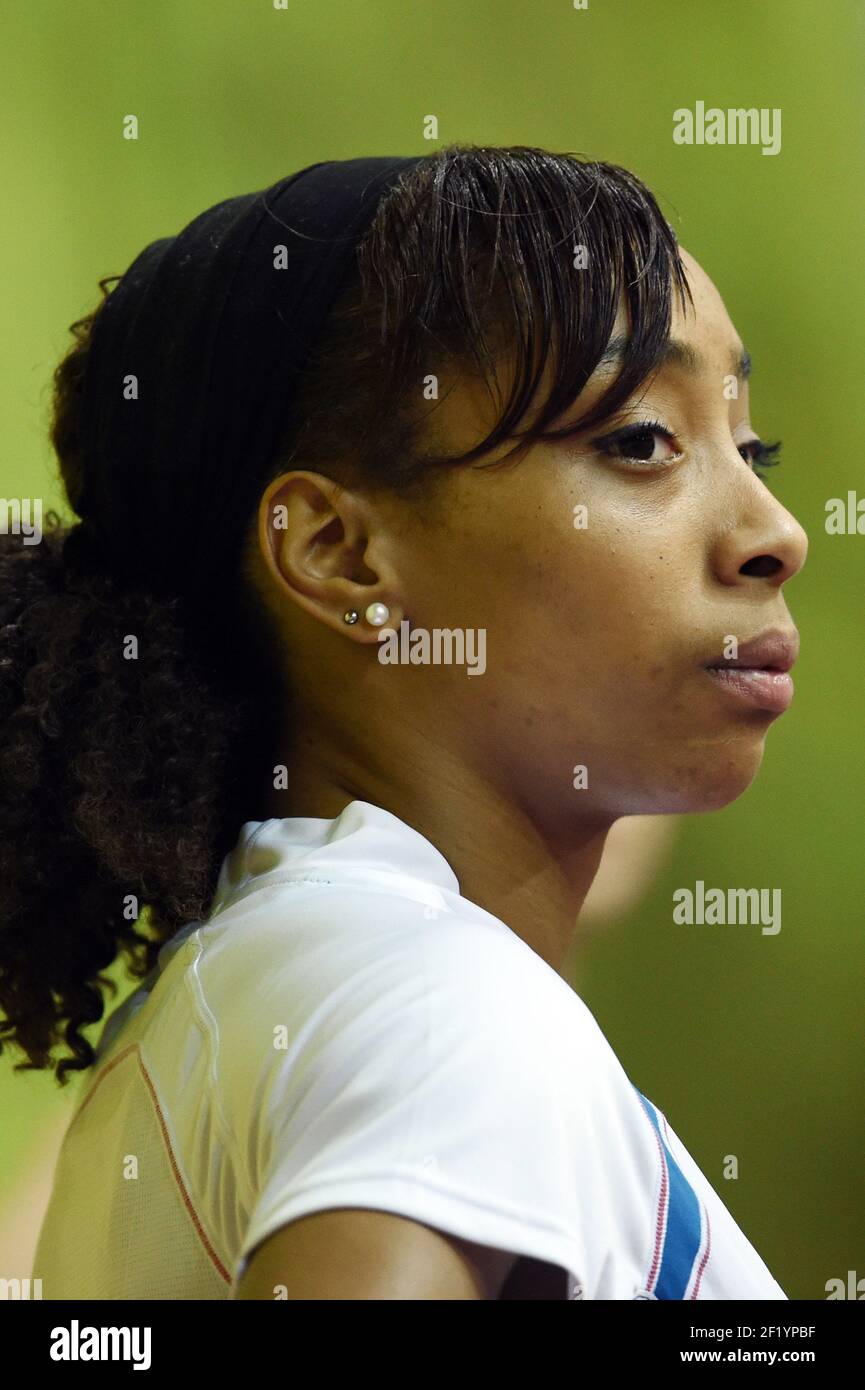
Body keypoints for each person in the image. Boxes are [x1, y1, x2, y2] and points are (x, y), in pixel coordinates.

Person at [0, 145, 807, 1300]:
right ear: (337, 554)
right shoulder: (443, 1013)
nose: (776, 528)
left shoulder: (274, 986)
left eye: (750, 445)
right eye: (639, 440)